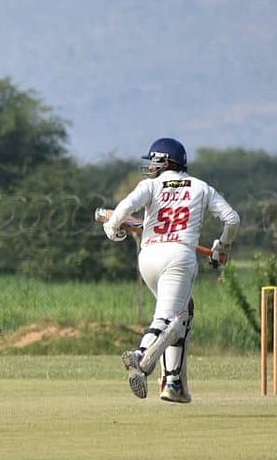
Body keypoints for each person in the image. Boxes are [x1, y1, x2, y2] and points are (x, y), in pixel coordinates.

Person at [102, 137, 240, 403]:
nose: (151, 166)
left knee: (183, 314)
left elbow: (123, 210)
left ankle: (174, 383)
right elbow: (232, 219)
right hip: (179, 257)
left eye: (155, 161)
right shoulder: (201, 187)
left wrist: (112, 229)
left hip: (149, 256)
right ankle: (142, 355)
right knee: (169, 319)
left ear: (166, 162)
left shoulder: (150, 185)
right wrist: (221, 246)